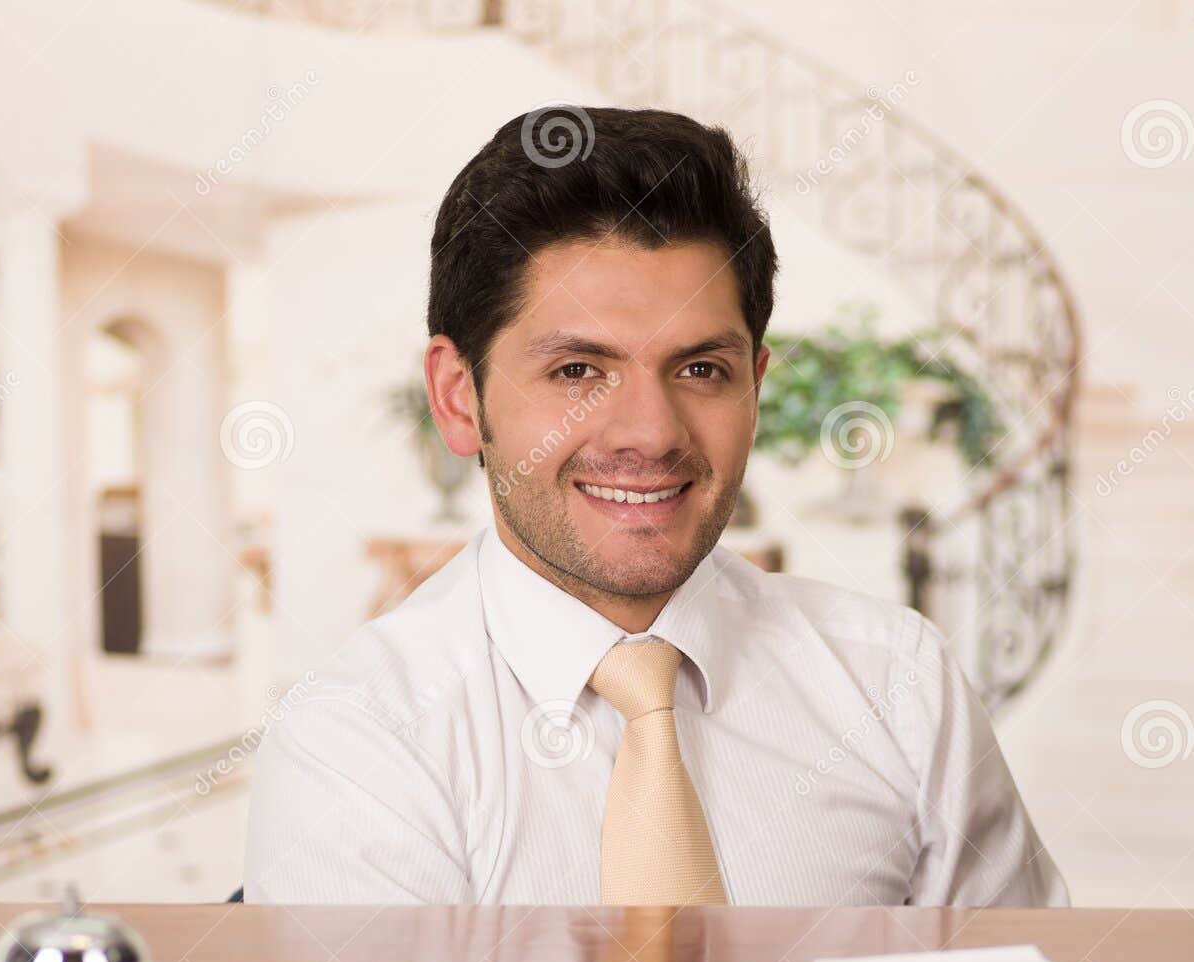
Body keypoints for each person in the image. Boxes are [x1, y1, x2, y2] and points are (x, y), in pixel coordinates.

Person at [245, 106, 1067, 908]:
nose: (651, 432)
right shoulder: (360, 738)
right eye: (577, 371)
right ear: (459, 398)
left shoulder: (900, 684)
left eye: (702, 370)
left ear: (755, 387)